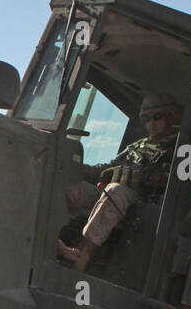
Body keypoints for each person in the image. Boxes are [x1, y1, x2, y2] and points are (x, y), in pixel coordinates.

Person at [57, 92, 182, 271]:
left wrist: (156, 177)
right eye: (146, 119)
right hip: (111, 196)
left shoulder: (180, 148)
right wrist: (74, 165)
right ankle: (53, 240)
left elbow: (184, 184)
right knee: (70, 188)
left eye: (157, 117)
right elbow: (106, 167)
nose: (151, 123)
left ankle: (84, 253)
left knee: (116, 191)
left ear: (171, 117)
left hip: (142, 204)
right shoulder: (138, 145)